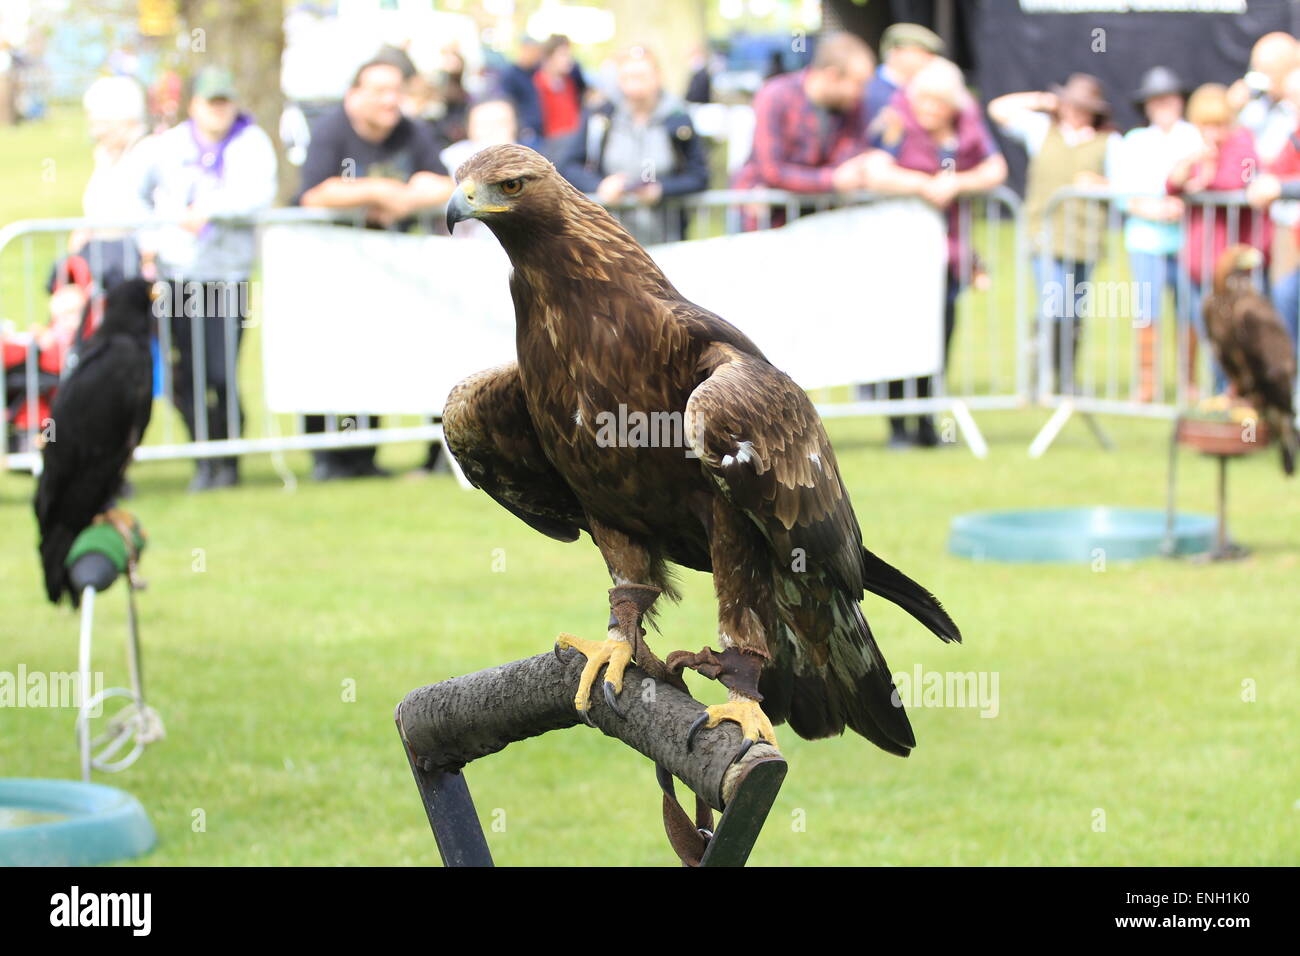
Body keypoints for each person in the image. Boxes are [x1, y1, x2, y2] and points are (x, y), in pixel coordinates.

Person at [297, 57, 455, 481]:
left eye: (396, 91)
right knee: (336, 357)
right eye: (380, 92)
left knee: (403, 354)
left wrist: (407, 197)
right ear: (355, 96)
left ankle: (423, 455)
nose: (391, 100)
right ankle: (332, 458)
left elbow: (446, 184)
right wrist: (380, 190)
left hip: (399, 273)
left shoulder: (412, 130)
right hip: (337, 273)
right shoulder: (331, 131)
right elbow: (313, 194)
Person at [132, 66, 277, 492]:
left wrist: (213, 209)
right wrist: (151, 237)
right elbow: (134, 193)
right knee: (184, 374)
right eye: (211, 102)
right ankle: (202, 455)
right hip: (179, 274)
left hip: (226, 277)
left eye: (225, 102)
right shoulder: (167, 146)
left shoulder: (251, 143)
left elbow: (258, 196)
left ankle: (227, 458)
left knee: (219, 372)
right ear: (194, 105)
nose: (219, 111)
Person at [862, 58, 1007, 448]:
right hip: (899, 251)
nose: (927, 110)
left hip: (947, 254)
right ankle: (898, 426)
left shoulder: (966, 126)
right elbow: (874, 170)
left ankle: (927, 422)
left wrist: (958, 182)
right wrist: (924, 185)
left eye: (936, 104)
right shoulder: (895, 119)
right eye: (922, 101)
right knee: (897, 337)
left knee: (938, 337)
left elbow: (996, 168)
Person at [990, 74, 1120, 394]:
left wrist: (1101, 185)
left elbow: (1125, 184)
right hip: (1044, 234)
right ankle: (1043, 375)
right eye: (1072, 104)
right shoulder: (1041, 131)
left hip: (1084, 239)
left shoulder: (1108, 142)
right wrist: (1042, 100)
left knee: (1072, 311)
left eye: (1083, 107)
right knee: (1054, 303)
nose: (1076, 112)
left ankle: (1063, 378)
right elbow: (998, 108)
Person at [1167, 83, 1271, 398]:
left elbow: (1239, 183)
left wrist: (1207, 176)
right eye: (1205, 125)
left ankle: (1238, 395)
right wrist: (1186, 173)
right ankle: (1221, 394)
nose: (1212, 132)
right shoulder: (1198, 150)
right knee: (1212, 334)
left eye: (1217, 124)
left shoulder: (1242, 144)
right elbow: (1172, 184)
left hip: (1231, 269)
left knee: (1235, 336)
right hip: (1201, 265)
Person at [1108, 66, 1203, 402]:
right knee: (1147, 311)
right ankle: (1147, 383)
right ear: (1147, 105)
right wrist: (1154, 210)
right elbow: (1122, 193)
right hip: (1146, 239)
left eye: (1169, 98)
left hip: (1187, 240)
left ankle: (1188, 381)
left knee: (1190, 312)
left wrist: (1186, 201)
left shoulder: (1194, 137)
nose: (1164, 105)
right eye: (1157, 100)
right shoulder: (1135, 142)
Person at [559, 45, 709, 245]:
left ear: (657, 77)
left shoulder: (679, 118)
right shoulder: (601, 116)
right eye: (628, 77)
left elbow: (699, 175)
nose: (634, 85)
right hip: (611, 238)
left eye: (641, 76)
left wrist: (662, 190)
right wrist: (600, 185)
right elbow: (569, 166)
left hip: (667, 234)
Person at [731, 32, 876, 225]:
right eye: (857, 84)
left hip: (823, 222)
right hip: (770, 224)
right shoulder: (776, 96)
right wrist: (833, 181)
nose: (861, 93)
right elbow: (773, 171)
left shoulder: (851, 107)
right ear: (832, 75)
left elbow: (852, 159)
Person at [1246, 65, 1300, 350]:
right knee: (1285, 296)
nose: (1290, 105)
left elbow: (1278, 182)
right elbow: (1272, 170)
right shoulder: (1297, 134)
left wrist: (1280, 188)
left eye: (1294, 98)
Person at [864, 22, 944, 122]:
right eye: (921, 53)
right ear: (897, 52)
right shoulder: (867, 88)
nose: (929, 60)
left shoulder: (913, 90)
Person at [533, 35, 585, 158]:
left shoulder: (569, 82)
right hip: (551, 147)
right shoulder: (538, 83)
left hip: (574, 142)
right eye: (563, 55)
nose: (568, 60)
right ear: (549, 57)